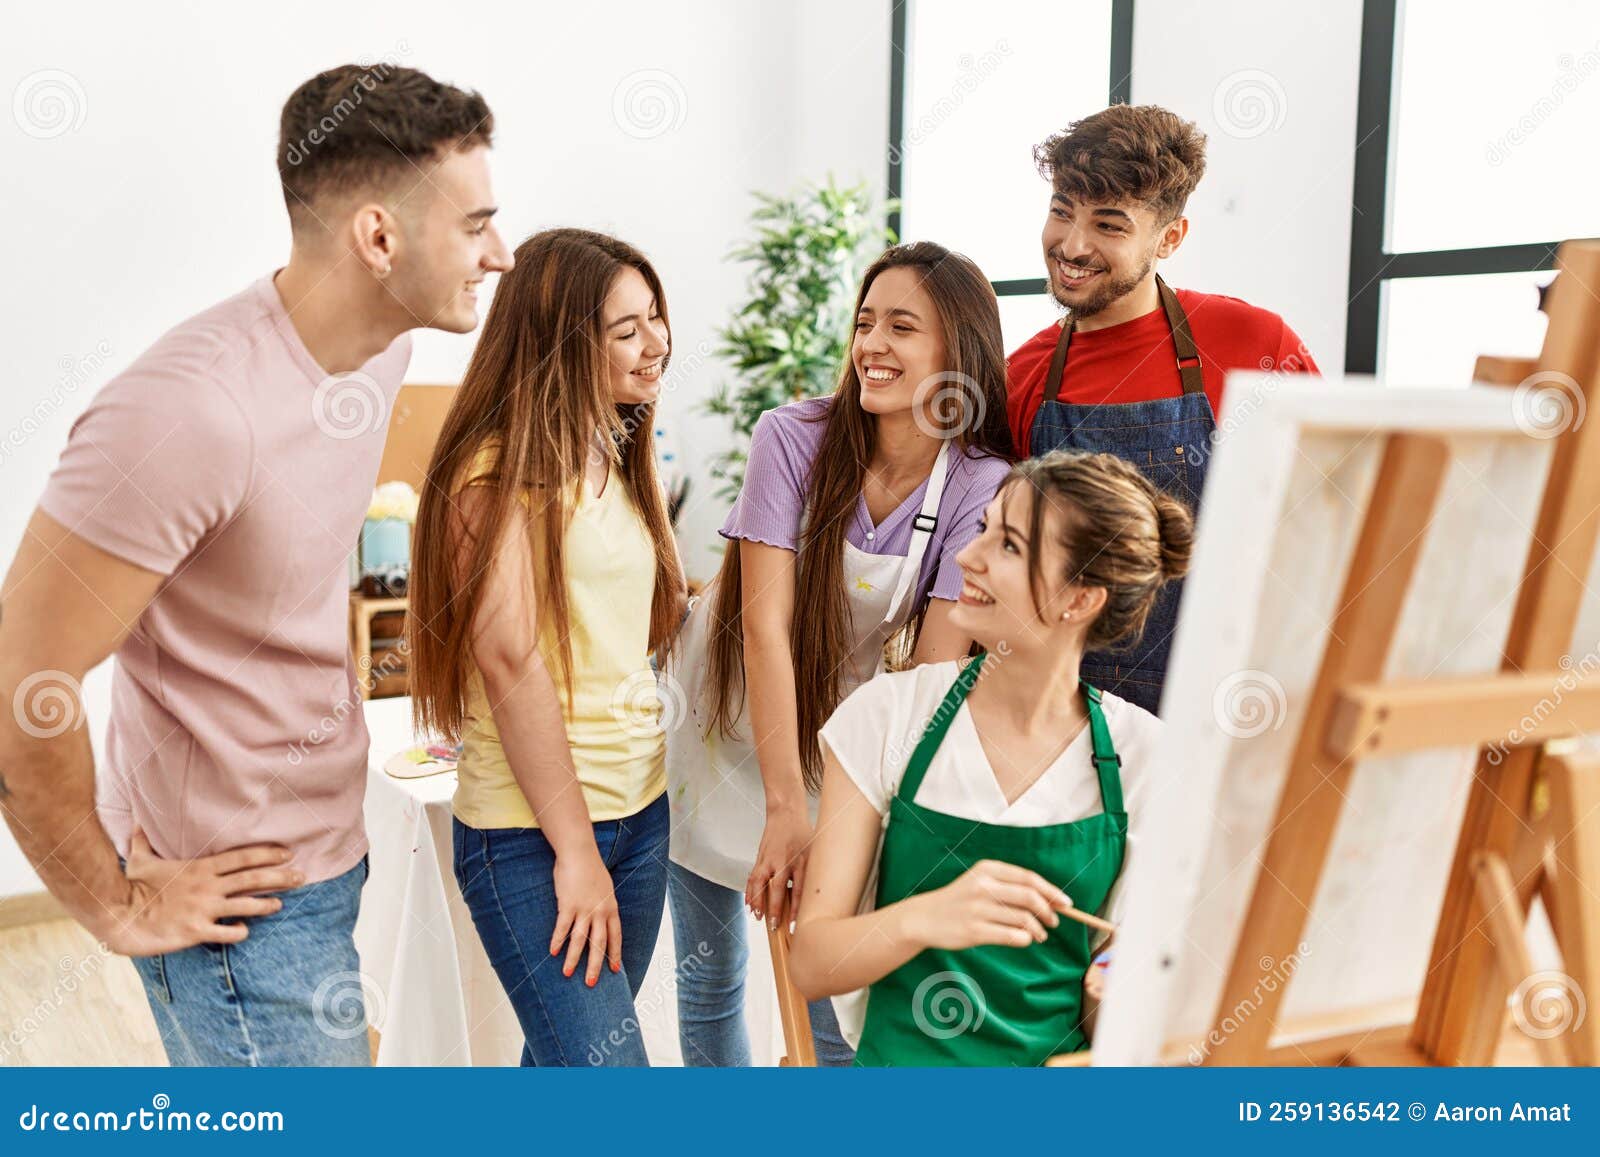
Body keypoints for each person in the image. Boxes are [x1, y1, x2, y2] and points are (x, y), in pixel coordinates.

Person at [0, 64, 511, 1066]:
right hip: (237, 913)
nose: (499, 253)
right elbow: (22, 681)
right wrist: (112, 900)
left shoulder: (381, 352)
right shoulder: (187, 412)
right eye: (476, 224)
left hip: (328, 852)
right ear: (379, 237)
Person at [665, 241, 1016, 1066]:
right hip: (724, 707)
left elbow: (932, 673)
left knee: (829, 971)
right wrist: (786, 807)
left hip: (836, 723)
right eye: (865, 323)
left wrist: (863, 814)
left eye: (902, 326)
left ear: (957, 352)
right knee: (711, 970)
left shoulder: (979, 481)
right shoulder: (793, 437)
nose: (872, 345)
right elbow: (763, 629)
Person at [789, 450, 1193, 1065]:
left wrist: (1120, 994)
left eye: (1007, 546)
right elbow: (813, 964)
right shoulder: (889, 717)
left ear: (1079, 599)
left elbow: (1110, 1004)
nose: (965, 559)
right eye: (983, 529)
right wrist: (928, 917)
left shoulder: (1144, 759)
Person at [408, 228, 685, 1067]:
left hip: (640, 811)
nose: (657, 342)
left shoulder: (616, 448)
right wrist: (573, 850)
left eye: (656, 317)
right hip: (533, 834)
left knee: (565, 1069)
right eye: (625, 329)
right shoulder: (491, 475)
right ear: (562, 345)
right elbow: (510, 661)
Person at [1006, 103, 1318, 714]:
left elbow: (1322, 518)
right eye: (1061, 212)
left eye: (1109, 226)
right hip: (1070, 721)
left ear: (1170, 237)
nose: (1072, 244)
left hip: (1222, 703)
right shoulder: (1023, 375)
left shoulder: (1256, 346)